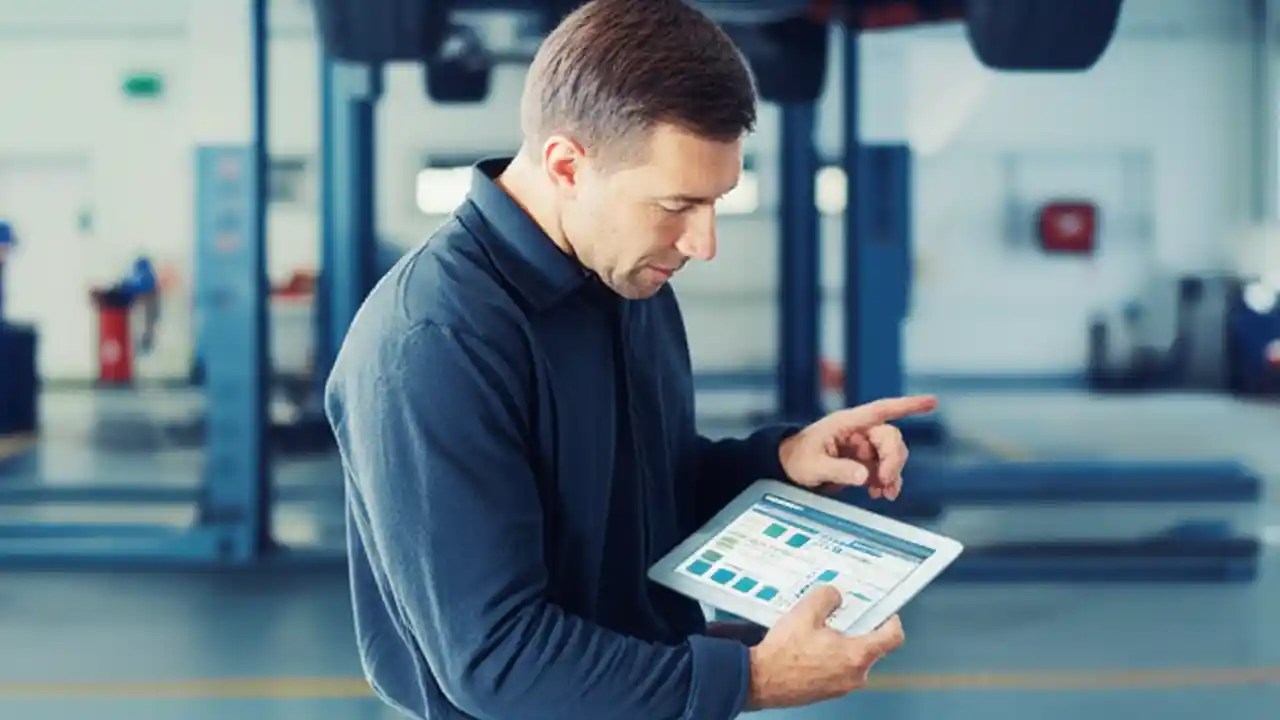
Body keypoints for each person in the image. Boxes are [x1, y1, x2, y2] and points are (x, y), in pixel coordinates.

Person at [324, 1, 937, 718]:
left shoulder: (621, 275)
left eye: (716, 203)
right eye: (676, 204)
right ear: (566, 165)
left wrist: (785, 462)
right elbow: (498, 660)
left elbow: (639, 498)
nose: (702, 243)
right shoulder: (434, 340)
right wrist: (751, 679)